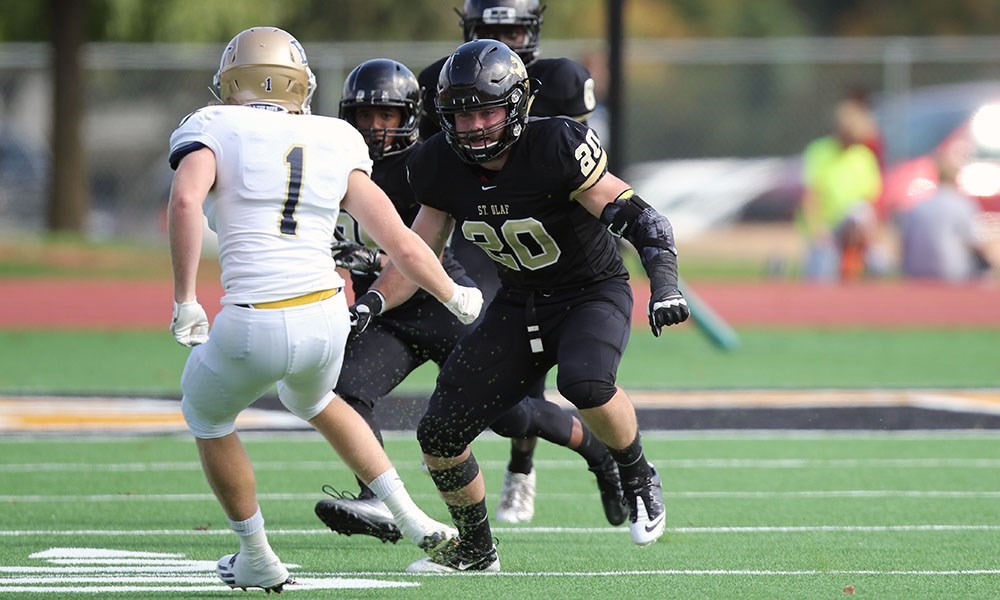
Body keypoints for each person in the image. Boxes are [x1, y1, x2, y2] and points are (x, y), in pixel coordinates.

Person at [166, 27, 483, 591]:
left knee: (208, 415)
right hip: (325, 315)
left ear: (231, 80)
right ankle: (410, 515)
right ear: (299, 84)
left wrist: (185, 298)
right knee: (313, 396)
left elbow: (188, 199)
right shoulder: (335, 136)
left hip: (252, 316)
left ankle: (255, 555)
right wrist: (453, 294)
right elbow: (403, 241)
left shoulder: (213, 124)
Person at [364, 40, 690, 572]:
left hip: (590, 291)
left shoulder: (555, 145)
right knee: (440, 435)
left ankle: (636, 472)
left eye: (486, 110)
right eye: (461, 114)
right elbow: (415, 255)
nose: (473, 126)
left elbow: (643, 220)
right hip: (519, 301)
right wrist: (372, 303)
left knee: (584, 384)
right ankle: (475, 548)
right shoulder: (437, 165)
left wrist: (665, 282)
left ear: (517, 104)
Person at [314, 58, 626, 544]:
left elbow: (418, 252)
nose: (375, 129)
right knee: (345, 390)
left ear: (410, 117)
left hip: (444, 304)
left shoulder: (429, 164)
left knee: (510, 416)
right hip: (388, 310)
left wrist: (370, 260)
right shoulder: (335, 167)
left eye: (387, 116)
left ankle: (598, 452)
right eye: (365, 116)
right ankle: (377, 496)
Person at [416, 0, 600, 524]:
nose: (510, 38)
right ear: (469, 29)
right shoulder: (440, 80)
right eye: (494, 28)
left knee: (537, 341)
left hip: (545, 227)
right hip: (476, 227)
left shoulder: (560, 79)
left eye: (517, 26)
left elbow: (579, 162)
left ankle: (522, 469)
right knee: (498, 340)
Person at [797, 98, 883, 281]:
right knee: (820, 278)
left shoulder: (864, 157)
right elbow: (812, 195)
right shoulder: (819, 152)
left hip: (854, 229)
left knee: (860, 211)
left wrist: (873, 239)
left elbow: (871, 203)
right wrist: (818, 228)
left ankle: (865, 261)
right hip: (826, 226)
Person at [900, 151, 994, 281]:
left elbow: (905, 240)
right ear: (955, 179)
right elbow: (976, 243)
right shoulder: (962, 204)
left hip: (916, 271)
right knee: (985, 271)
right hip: (951, 272)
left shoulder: (919, 205)